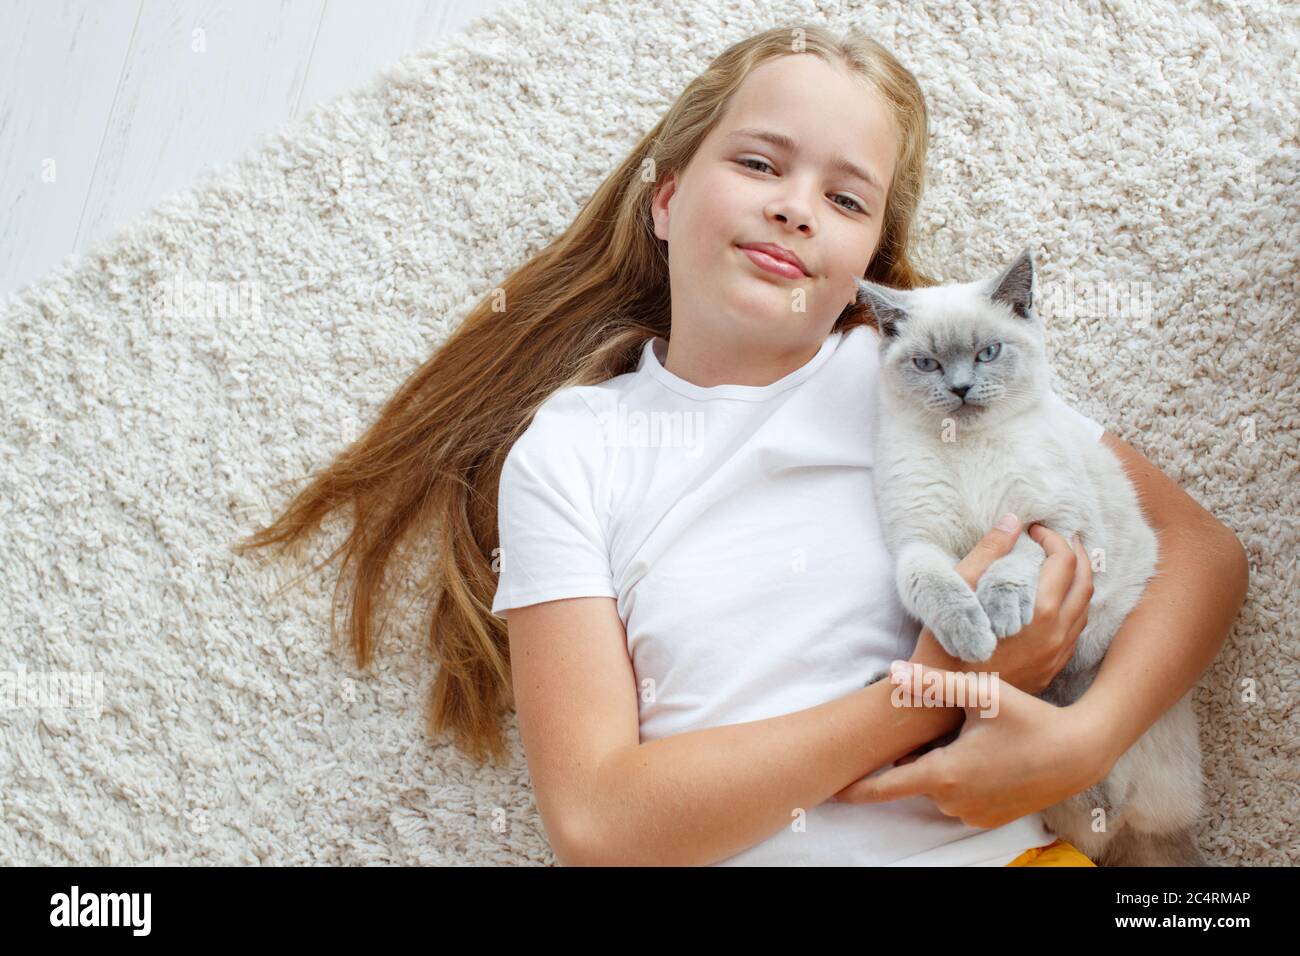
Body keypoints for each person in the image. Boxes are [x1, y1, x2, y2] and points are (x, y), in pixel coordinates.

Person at [233, 24, 1249, 866]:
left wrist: (1082, 737)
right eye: (759, 163)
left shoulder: (918, 375)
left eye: (846, 199)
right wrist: (922, 689)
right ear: (667, 199)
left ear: (866, 262)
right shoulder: (578, 448)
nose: (794, 205)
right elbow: (596, 820)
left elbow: (1200, 554)